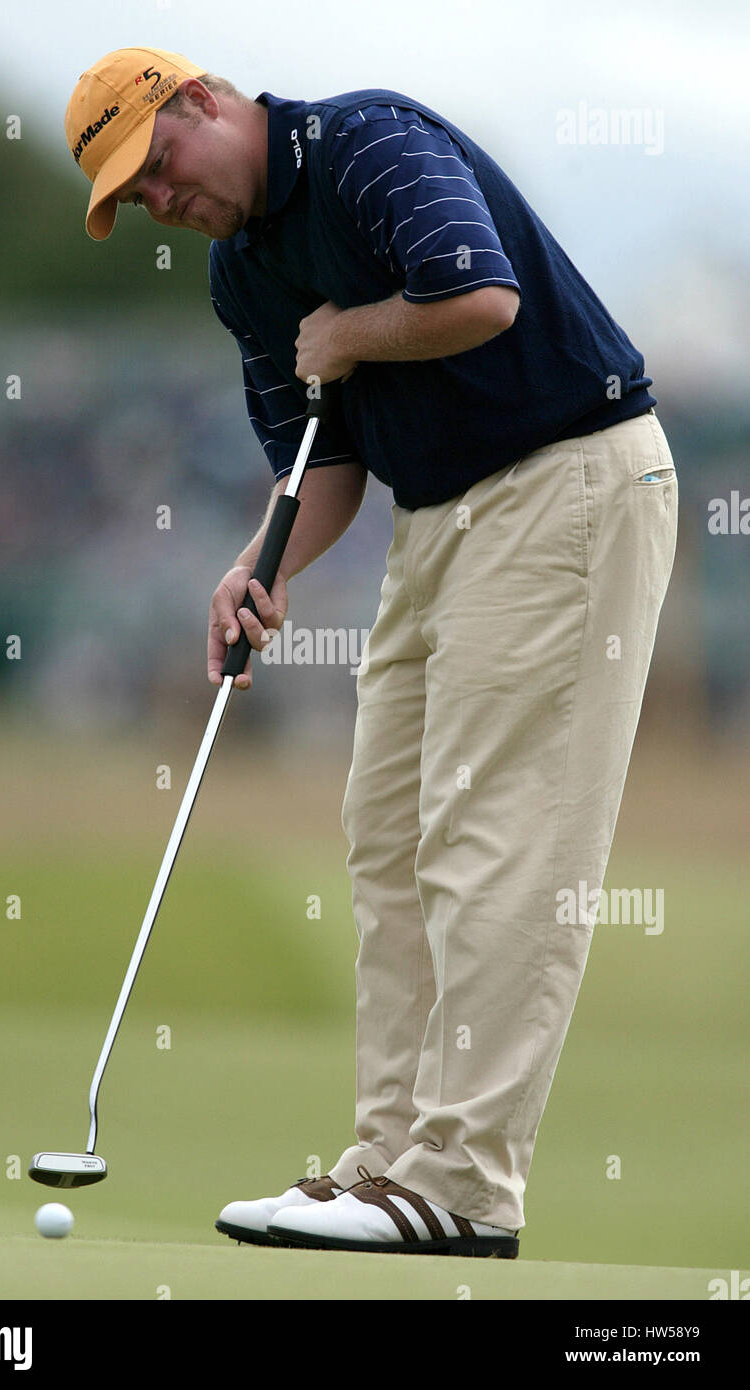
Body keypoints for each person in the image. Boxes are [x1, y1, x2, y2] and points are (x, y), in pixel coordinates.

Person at [65, 46, 678, 1257]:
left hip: (565, 477)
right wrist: (258, 569)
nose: (161, 201)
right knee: (387, 825)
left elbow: (480, 296)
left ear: (199, 101)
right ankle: (387, 1160)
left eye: (158, 166)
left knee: (489, 831)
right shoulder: (241, 274)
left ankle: (460, 1184)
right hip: (436, 512)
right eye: (136, 199)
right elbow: (324, 466)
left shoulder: (363, 144)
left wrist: (345, 329)